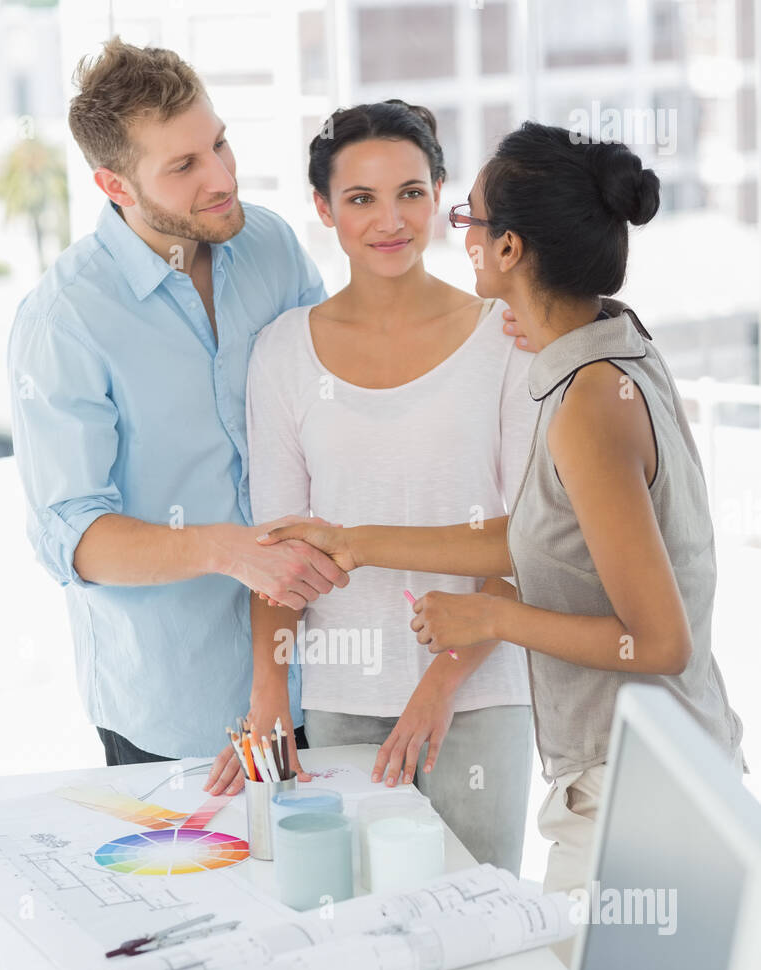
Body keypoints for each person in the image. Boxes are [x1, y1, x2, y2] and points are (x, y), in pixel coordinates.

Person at [259, 122, 745, 894]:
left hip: (646, 787)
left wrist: (490, 620)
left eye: (468, 219)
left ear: (511, 249)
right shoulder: (613, 345)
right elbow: (530, 540)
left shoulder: (586, 402)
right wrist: (352, 542)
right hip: (645, 773)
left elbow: (658, 643)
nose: (457, 237)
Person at [205, 101, 538, 873]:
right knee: (355, 922)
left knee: (481, 918)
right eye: (361, 199)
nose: (391, 220)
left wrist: (442, 683)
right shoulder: (282, 354)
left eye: (412, 193)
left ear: (441, 193)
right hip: (341, 693)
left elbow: (528, 539)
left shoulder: (506, 336)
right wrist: (269, 692)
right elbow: (277, 546)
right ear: (323, 208)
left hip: (483, 694)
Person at [8, 36, 347, 766]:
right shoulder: (66, 320)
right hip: (170, 712)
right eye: (185, 166)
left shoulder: (272, 248)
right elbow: (72, 535)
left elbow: (332, 411)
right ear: (116, 186)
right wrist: (230, 550)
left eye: (219, 144)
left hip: (319, 676)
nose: (223, 178)